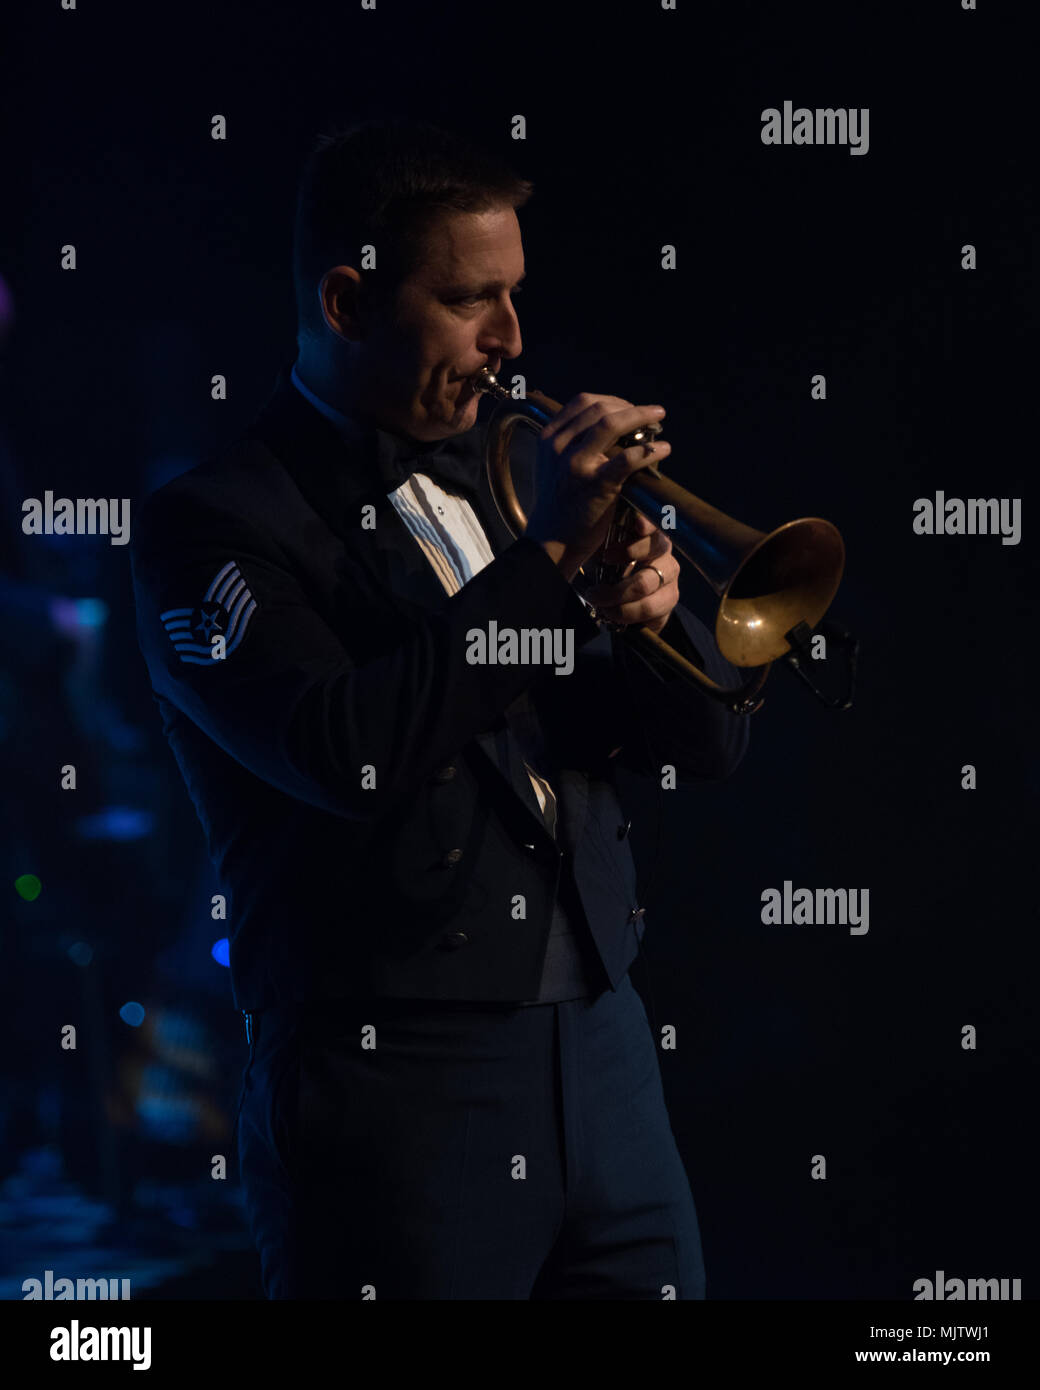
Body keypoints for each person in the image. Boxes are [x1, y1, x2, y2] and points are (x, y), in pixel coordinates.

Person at [129, 119, 751, 1300]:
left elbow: (706, 747)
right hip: (391, 1079)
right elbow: (348, 750)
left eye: (514, 296)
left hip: (605, 1051)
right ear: (349, 302)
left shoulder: (508, 480)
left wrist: (654, 618)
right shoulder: (213, 524)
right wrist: (556, 556)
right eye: (471, 301)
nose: (511, 344)